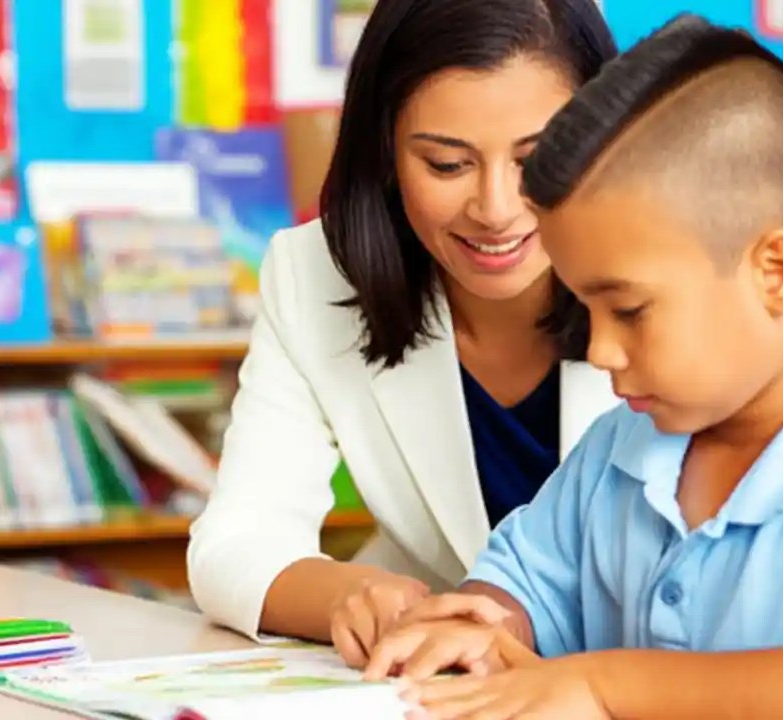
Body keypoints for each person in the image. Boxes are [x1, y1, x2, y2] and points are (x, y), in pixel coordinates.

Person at [363, 14, 783, 720]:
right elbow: (522, 586)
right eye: (585, 308)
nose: (598, 351)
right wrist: (476, 628)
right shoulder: (623, 448)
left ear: (776, 272)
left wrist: (599, 685)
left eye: (628, 310)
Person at [186, 0, 620, 666]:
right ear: (385, 150)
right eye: (448, 165)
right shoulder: (316, 276)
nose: (497, 210)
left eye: (541, 158)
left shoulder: (681, 273)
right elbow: (235, 542)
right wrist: (352, 595)